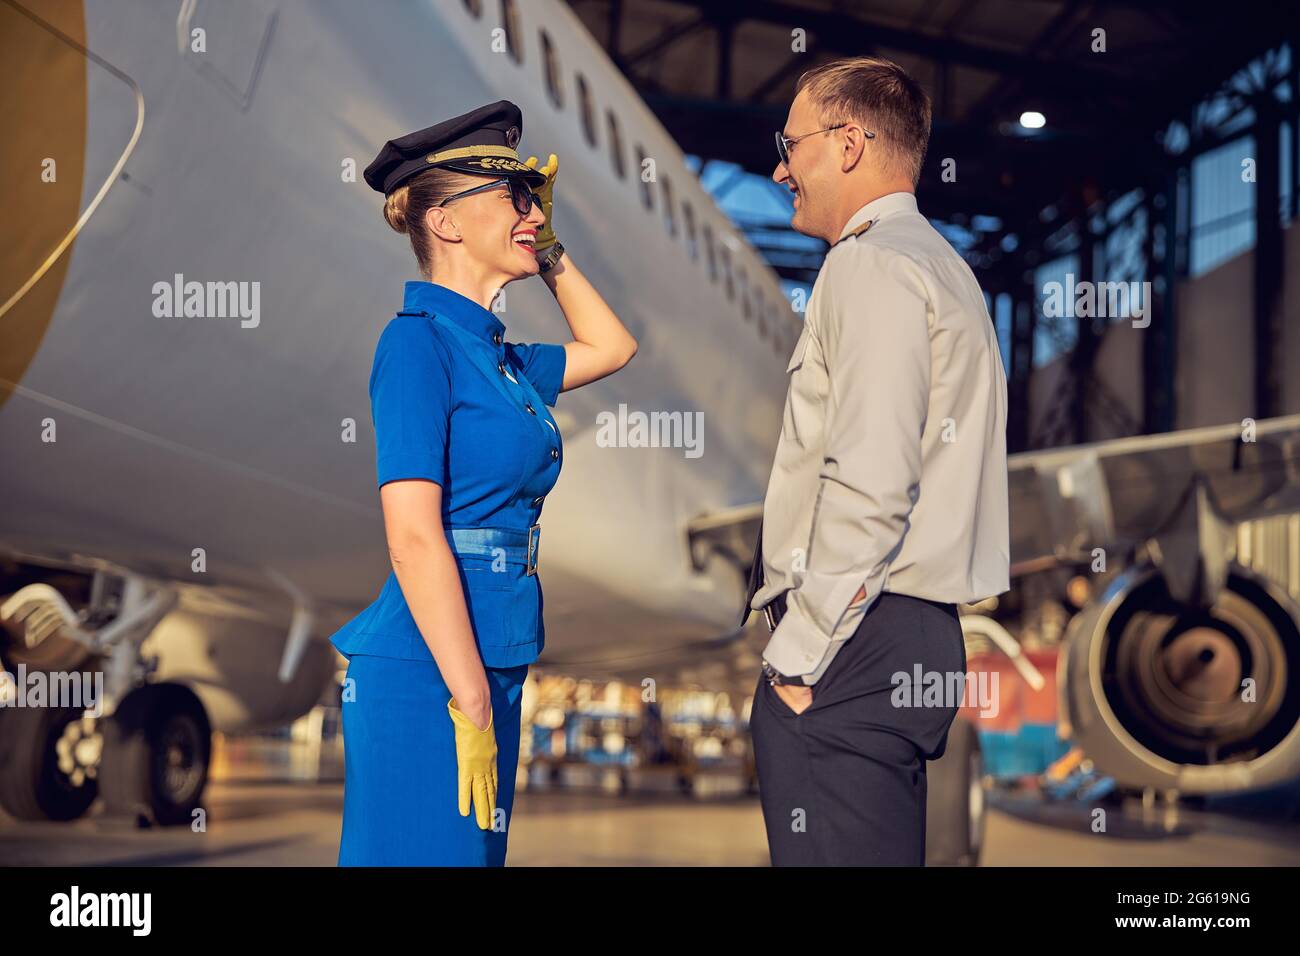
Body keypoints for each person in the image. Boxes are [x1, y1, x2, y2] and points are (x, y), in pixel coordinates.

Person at [330, 100, 636, 865]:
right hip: (429, 671)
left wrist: (549, 246)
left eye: (536, 199)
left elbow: (612, 345)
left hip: (491, 652)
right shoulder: (415, 347)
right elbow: (411, 535)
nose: (531, 211)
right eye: (514, 197)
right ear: (447, 223)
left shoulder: (504, 361)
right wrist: (468, 698)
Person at [743, 57, 1010, 865]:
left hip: (851, 645)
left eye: (790, 145)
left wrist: (799, 654)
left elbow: (870, 482)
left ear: (849, 142)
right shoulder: (946, 272)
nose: (779, 168)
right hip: (906, 635)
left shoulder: (869, 264)